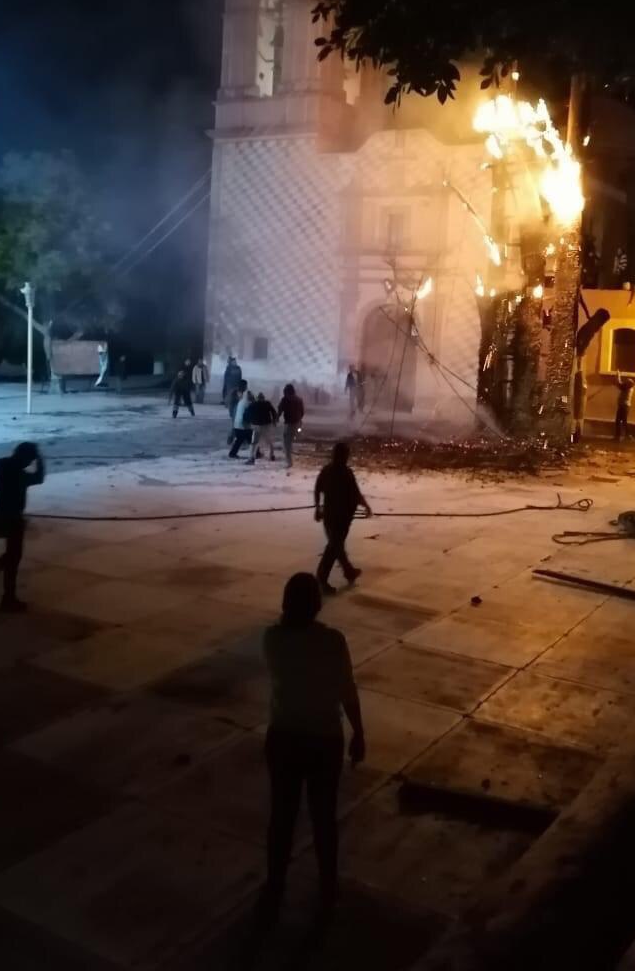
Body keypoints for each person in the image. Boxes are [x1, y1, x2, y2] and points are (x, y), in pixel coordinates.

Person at [259, 572, 365, 926]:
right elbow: (346, 690)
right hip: (323, 739)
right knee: (323, 818)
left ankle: (275, 885)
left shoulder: (272, 639)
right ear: (317, 606)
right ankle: (327, 887)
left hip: (284, 736)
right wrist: (359, 732)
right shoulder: (332, 641)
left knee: (282, 817)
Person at [0, 442, 45, 612]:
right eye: (29, 460)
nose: (29, 464)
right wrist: (41, 460)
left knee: (12, 552)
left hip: (1, 513)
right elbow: (39, 478)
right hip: (13, 518)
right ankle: (8, 597)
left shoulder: (1, 465)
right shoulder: (19, 474)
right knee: (14, 557)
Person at [314, 441, 371, 594]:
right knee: (334, 547)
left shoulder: (327, 470)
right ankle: (322, 577)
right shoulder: (346, 473)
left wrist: (318, 507)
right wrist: (366, 506)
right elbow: (356, 493)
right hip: (341, 518)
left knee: (336, 546)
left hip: (331, 516)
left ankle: (348, 571)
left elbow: (317, 488)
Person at [277, 383, 305, 468]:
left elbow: (280, 410)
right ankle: (289, 456)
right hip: (297, 423)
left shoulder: (285, 399)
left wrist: (276, 418)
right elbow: (302, 412)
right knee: (292, 439)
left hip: (289, 424)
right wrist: (299, 420)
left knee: (286, 443)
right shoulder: (299, 399)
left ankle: (289, 462)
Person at [614, 372, 635, 441]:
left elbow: (619, 384)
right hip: (625, 406)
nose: (625, 382)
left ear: (629, 384)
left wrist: (618, 375)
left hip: (623, 406)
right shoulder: (629, 388)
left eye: (626, 382)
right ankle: (627, 435)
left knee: (618, 421)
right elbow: (620, 384)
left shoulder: (627, 388)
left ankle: (619, 436)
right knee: (623, 421)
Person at [228, 384, 252, 457]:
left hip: (237, 425)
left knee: (240, 440)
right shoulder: (247, 403)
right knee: (251, 440)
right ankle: (257, 453)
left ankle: (232, 453)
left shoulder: (241, 402)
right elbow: (247, 415)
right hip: (243, 426)